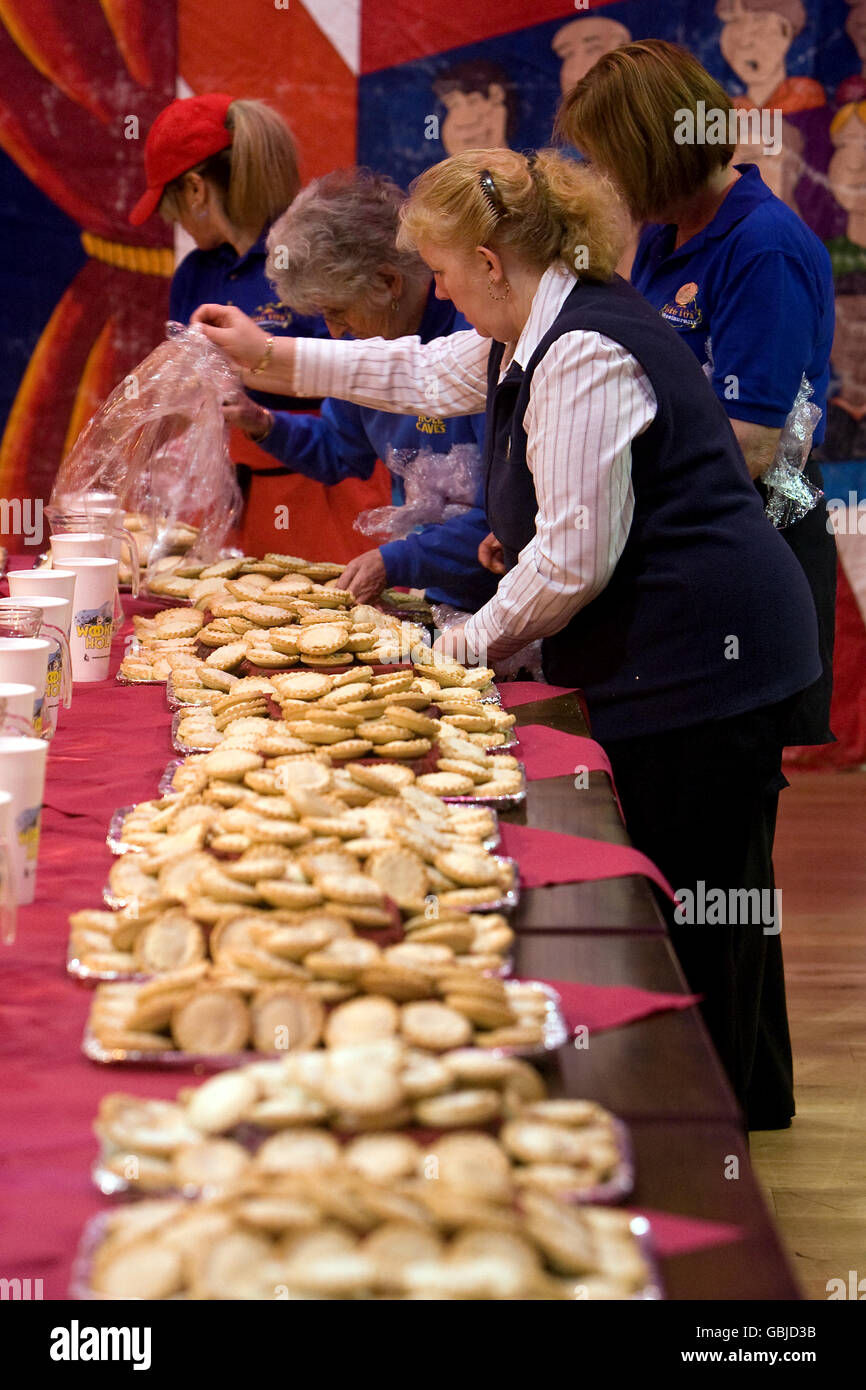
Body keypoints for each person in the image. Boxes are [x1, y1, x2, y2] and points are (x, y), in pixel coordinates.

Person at [192, 146, 822, 1130]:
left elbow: (571, 558)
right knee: (711, 896)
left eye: (442, 271)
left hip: (704, 661)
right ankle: (742, 1107)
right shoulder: (527, 329)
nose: (435, 289)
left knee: (697, 906)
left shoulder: (577, 349)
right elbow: (405, 370)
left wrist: (457, 653)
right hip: (679, 654)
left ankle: (700, 1139)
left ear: (489, 264)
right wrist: (269, 359)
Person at [559, 39, 836, 754]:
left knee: (716, 823)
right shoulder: (667, 235)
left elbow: (749, 448)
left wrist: (598, 498)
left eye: (608, 158)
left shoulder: (763, 246)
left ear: (653, 151)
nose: (603, 178)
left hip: (741, 562)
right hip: (681, 554)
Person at [128, 91, 389, 561]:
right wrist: (138, 457)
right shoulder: (196, 273)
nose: (178, 224)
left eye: (172, 208)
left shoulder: (311, 252)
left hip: (330, 480)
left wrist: (257, 362)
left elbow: (365, 370)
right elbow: (185, 392)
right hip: (240, 490)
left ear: (195, 189)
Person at [224, 168, 497, 611]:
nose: (335, 331)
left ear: (389, 282)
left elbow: (506, 519)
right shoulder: (359, 347)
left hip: (517, 604)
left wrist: (395, 560)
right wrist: (264, 424)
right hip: (438, 597)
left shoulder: (482, 335)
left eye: (337, 311)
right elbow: (338, 449)